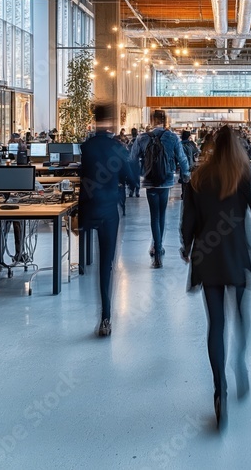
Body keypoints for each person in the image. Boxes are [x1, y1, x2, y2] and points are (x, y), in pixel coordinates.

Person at [180, 126, 251, 430]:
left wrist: (186, 245)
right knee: (243, 316)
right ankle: (240, 362)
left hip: (207, 258)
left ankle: (220, 390)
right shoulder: (242, 176)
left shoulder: (197, 177)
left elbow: (188, 220)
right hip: (236, 257)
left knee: (215, 325)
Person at [81, 104, 136, 336]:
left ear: (94, 120)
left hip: (88, 208)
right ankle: (105, 318)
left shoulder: (87, 146)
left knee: (90, 260)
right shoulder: (117, 147)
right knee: (106, 264)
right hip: (108, 211)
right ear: (112, 122)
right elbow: (132, 178)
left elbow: (83, 177)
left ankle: (102, 313)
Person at [130, 110, 190, 268]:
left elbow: (132, 159)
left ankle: (157, 251)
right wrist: (186, 174)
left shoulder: (142, 137)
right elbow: (182, 158)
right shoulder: (172, 137)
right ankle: (158, 248)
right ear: (164, 121)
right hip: (166, 180)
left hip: (150, 180)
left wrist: (133, 178)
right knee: (162, 215)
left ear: (151, 120)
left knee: (154, 216)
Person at [180, 131, 201, 199]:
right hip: (190, 164)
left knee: (184, 180)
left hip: (182, 164)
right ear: (189, 136)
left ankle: (184, 194)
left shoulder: (179, 144)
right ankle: (189, 194)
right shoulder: (191, 144)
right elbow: (197, 152)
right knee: (190, 180)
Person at [126, 128, 140, 198]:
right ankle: (137, 190)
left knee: (131, 175)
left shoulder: (130, 141)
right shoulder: (138, 141)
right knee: (136, 175)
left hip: (131, 161)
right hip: (136, 161)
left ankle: (132, 190)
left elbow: (127, 150)